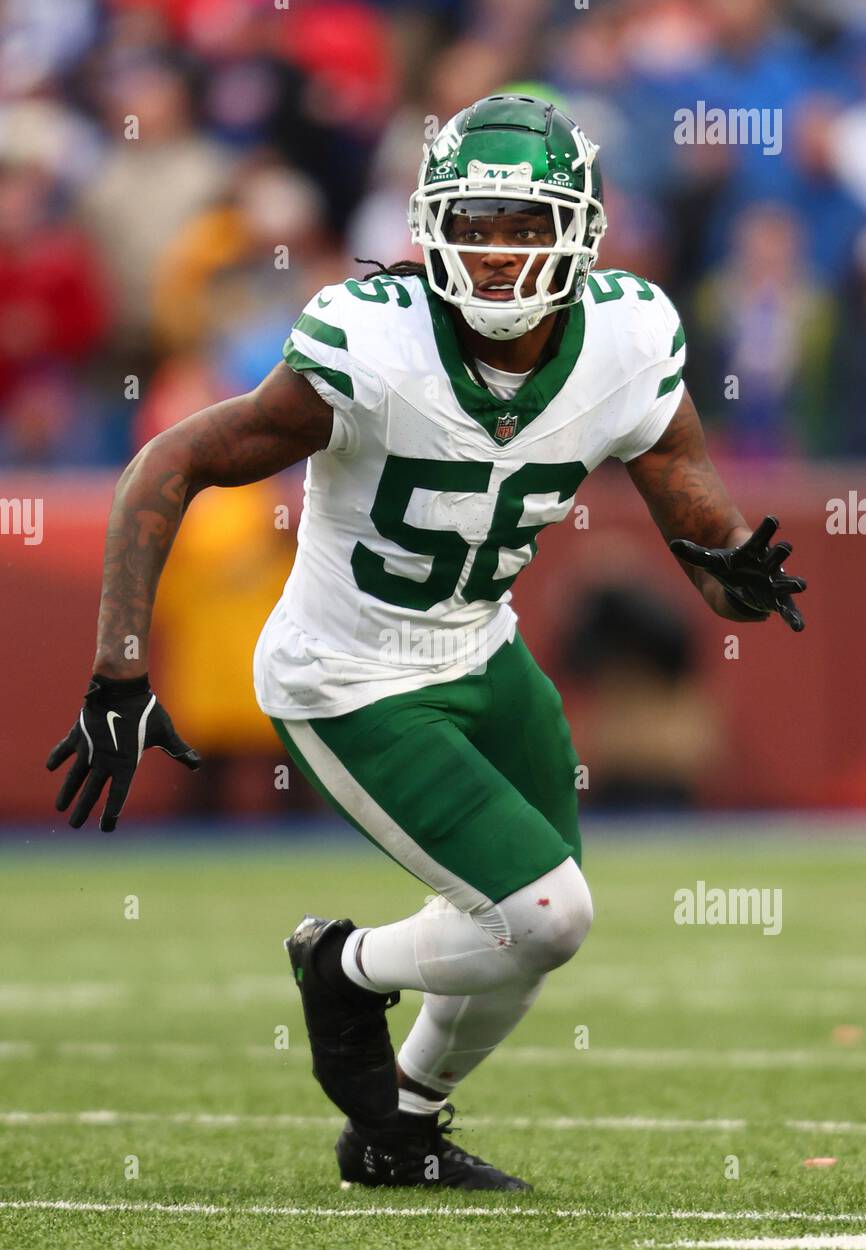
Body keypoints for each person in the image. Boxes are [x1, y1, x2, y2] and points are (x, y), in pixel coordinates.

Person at [47, 94, 806, 1192]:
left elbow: (699, 519)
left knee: (513, 929)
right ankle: (343, 966)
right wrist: (119, 664)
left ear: (582, 232)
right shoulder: (371, 340)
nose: (495, 256)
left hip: (479, 651)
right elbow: (169, 463)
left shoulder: (630, 338)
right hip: (346, 676)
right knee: (544, 917)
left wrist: (730, 570)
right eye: (473, 225)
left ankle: (397, 1132)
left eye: (524, 226)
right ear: (427, 225)